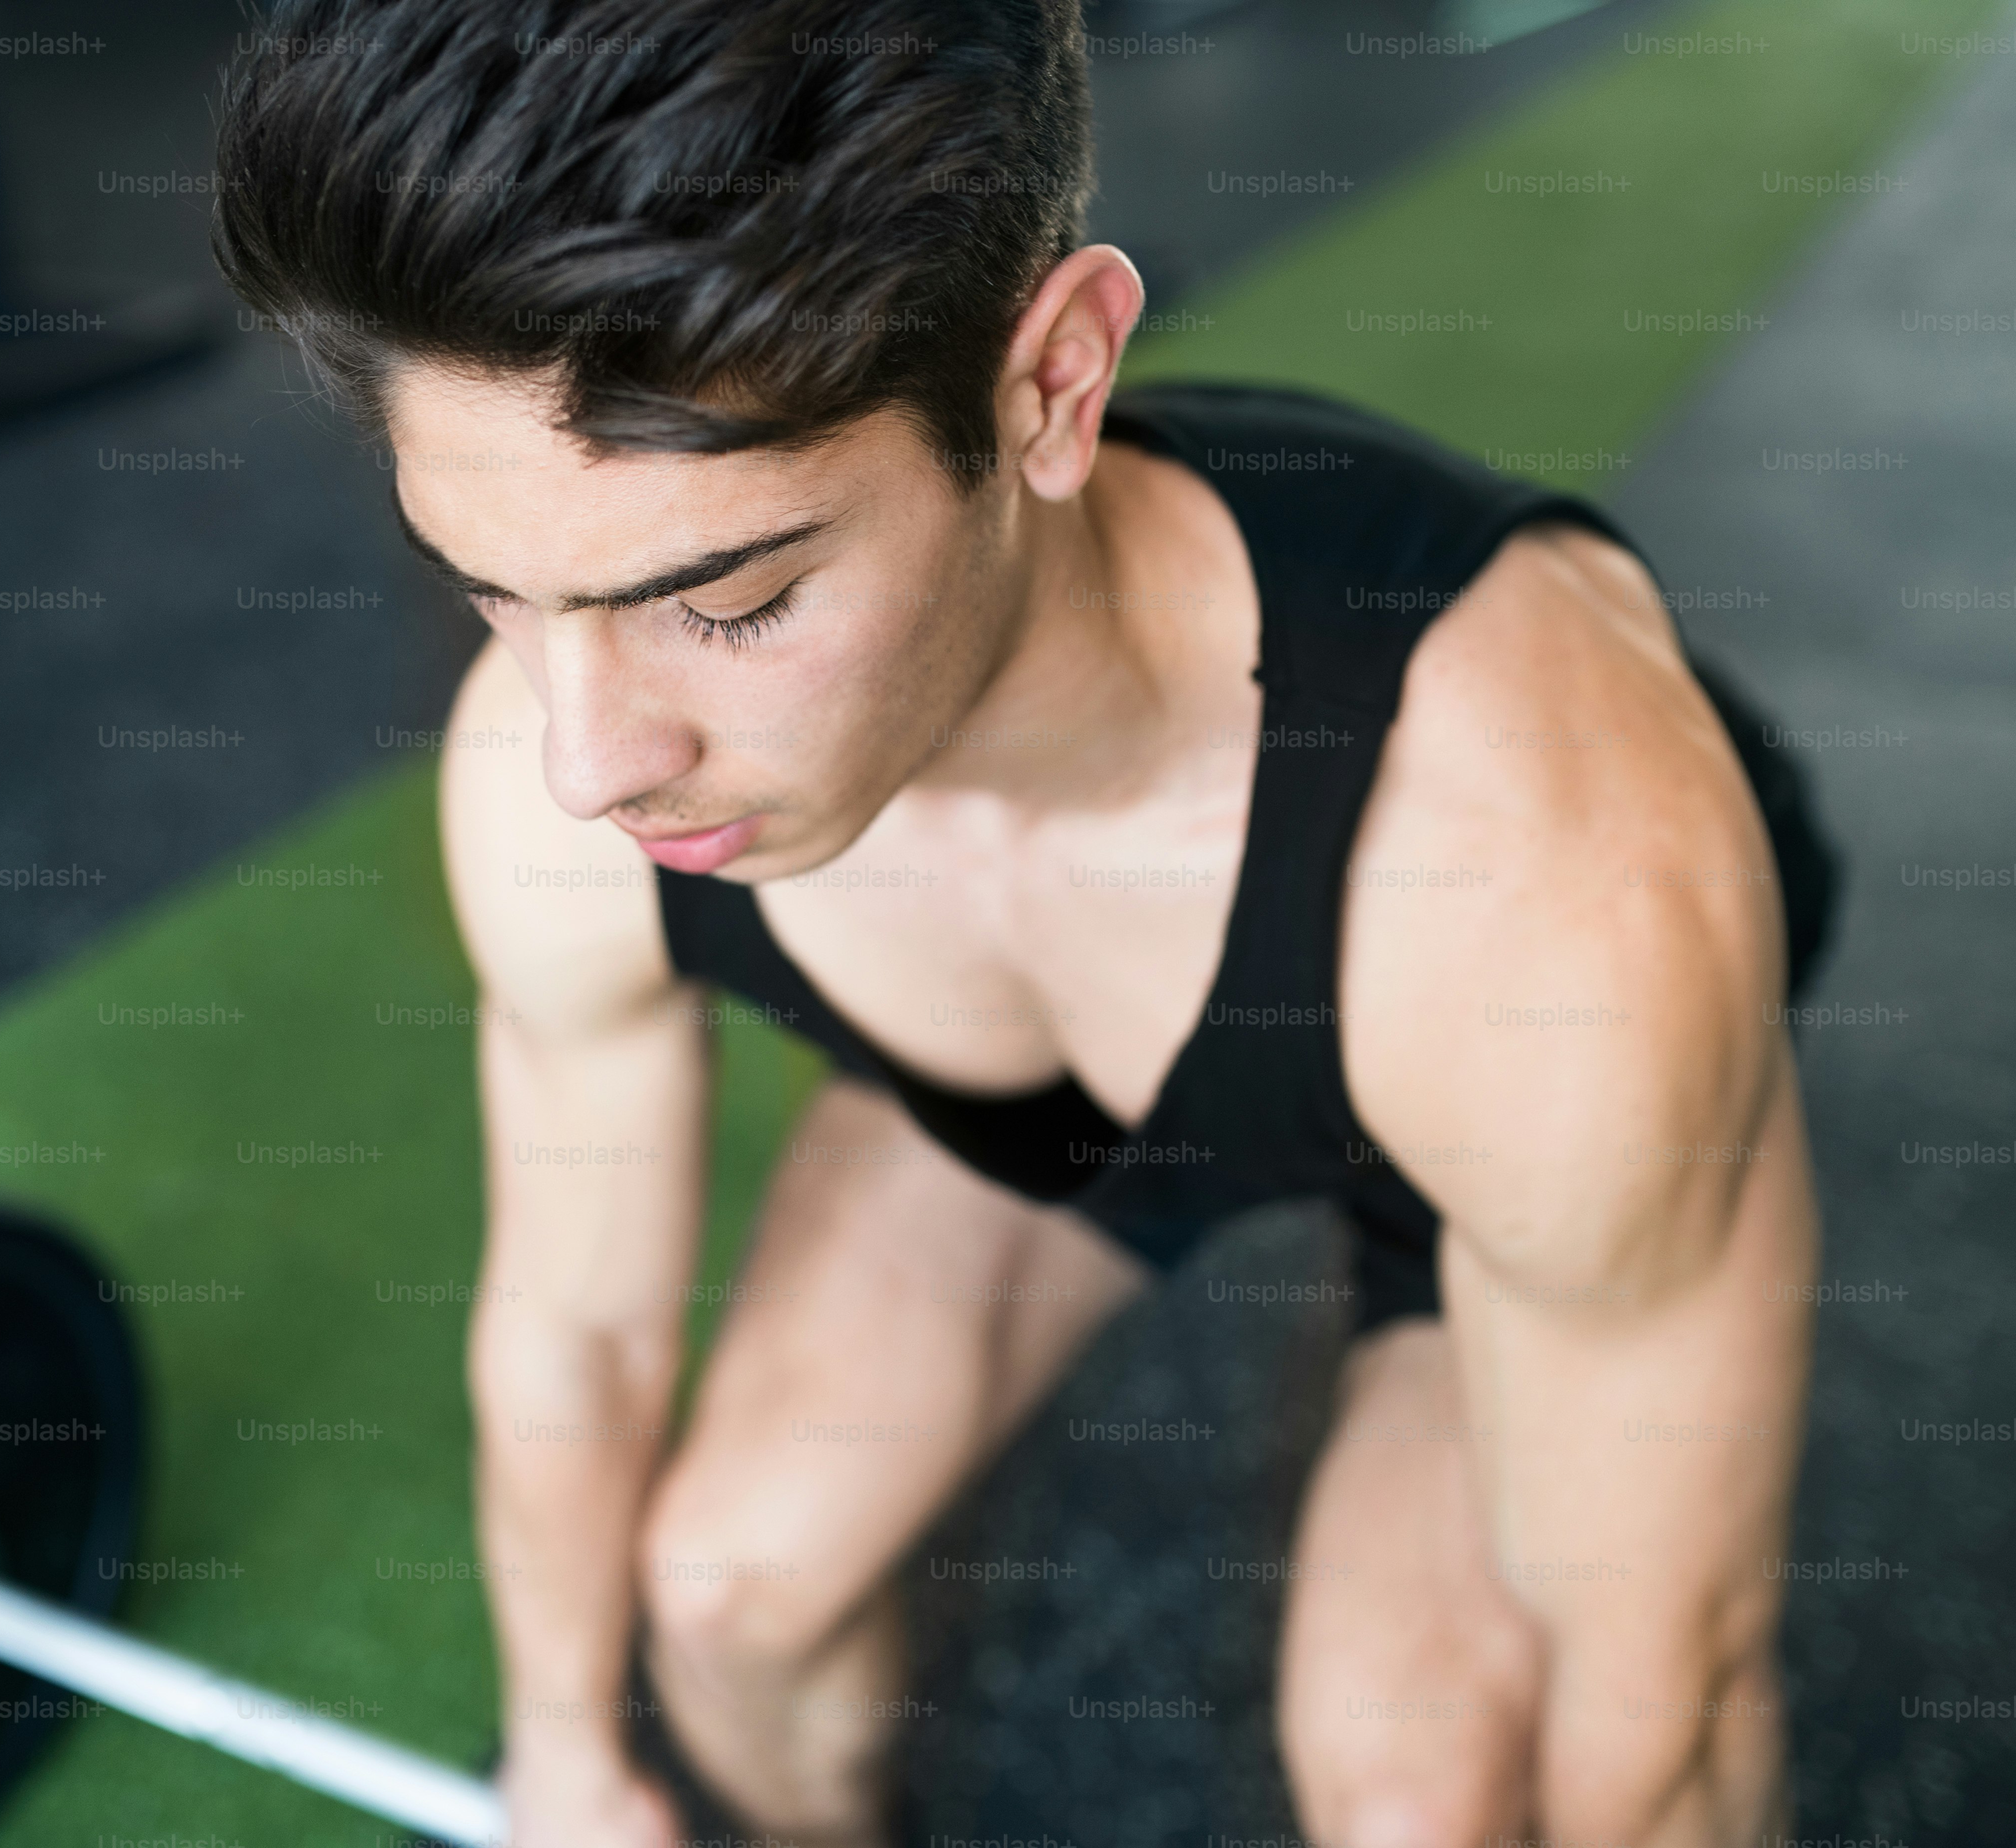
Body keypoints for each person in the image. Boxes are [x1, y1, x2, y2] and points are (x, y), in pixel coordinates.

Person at [215, 3, 1840, 1844]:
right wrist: (573, 1753)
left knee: (1424, 1789)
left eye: (730, 604)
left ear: (1051, 384)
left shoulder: (1546, 882)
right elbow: (576, 1332)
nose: (593, 762)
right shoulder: (558, 765)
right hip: (1030, 1062)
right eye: (495, 591)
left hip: (1444, 1049)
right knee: (733, 1601)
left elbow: (1677, 1696)